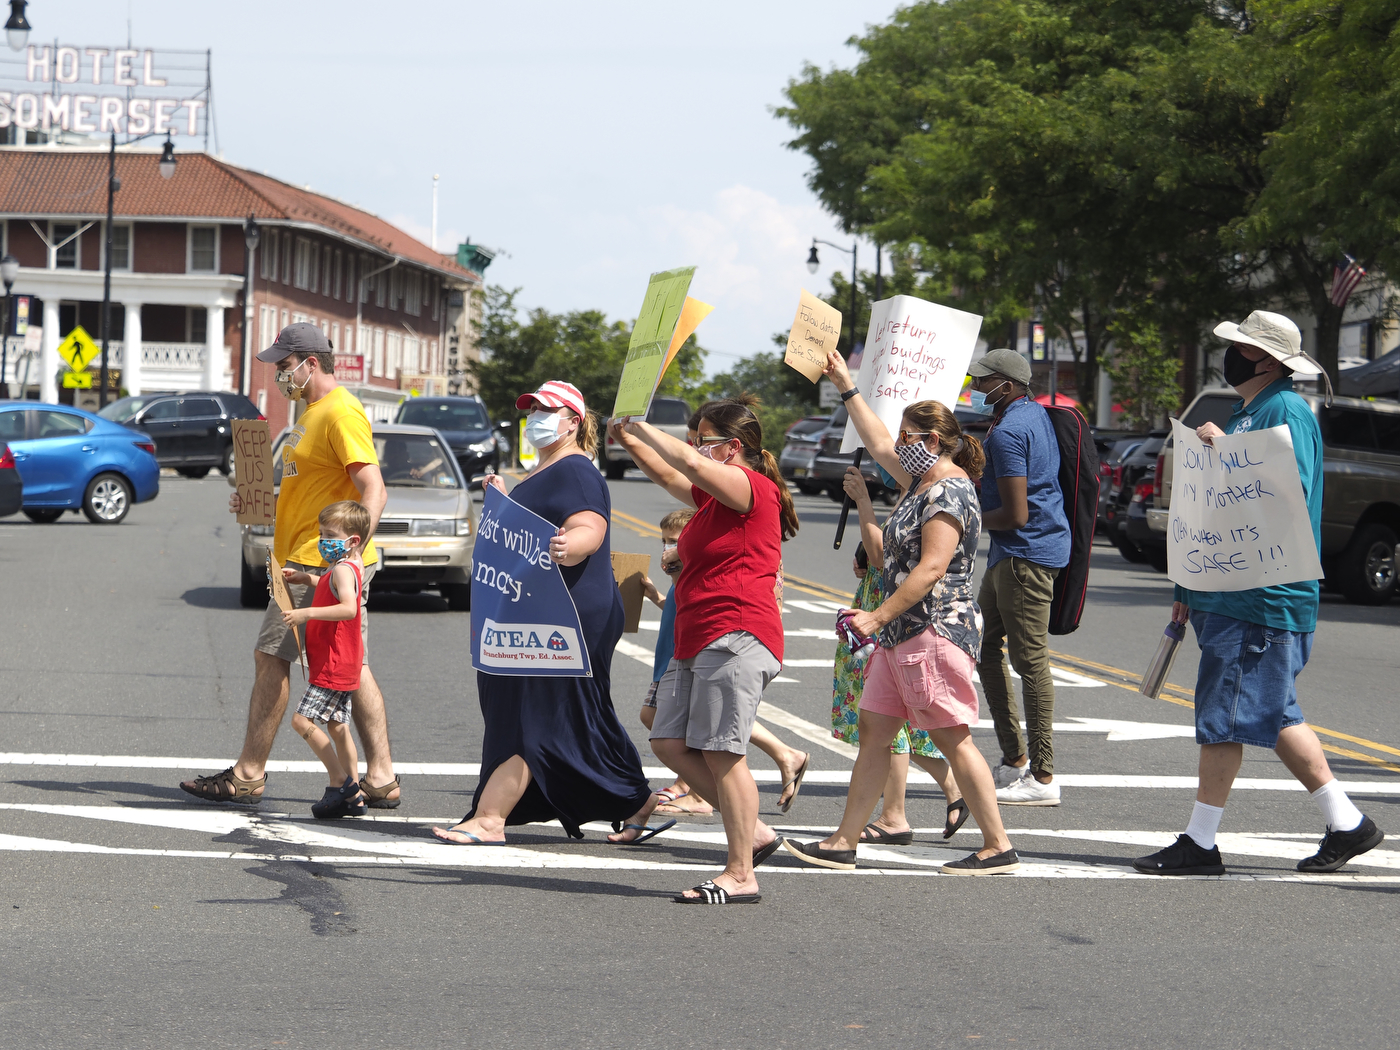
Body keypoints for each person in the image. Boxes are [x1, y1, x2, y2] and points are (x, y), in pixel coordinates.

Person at [1135, 311, 1384, 876]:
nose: (1229, 355)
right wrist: (1188, 584)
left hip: (1261, 598)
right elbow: (1216, 507)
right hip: (1233, 591)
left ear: (1266, 360)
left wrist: (1223, 454)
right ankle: (1348, 823)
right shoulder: (1253, 411)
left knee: (1225, 714)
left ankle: (1201, 843)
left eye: (1240, 347)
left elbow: (1282, 493)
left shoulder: (1285, 410)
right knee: (1273, 712)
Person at [784, 352, 1020, 875]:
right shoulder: (919, 483)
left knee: (952, 738)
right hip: (901, 637)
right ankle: (844, 841)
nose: (902, 444)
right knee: (875, 732)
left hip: (933, 632)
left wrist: (874, 616)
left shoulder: (949, 491)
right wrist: (846, 385)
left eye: (911, 436)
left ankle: (998, 846)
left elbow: (932, 568)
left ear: (934, 441)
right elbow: (876, 442)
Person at [431, 381, 671, 846]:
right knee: (578, 714)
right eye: (532, 410)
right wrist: (502, 499)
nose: (535, 417)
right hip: (536, 612)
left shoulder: (577, 471)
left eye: (547, 410)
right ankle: (634, 799)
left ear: (574, 422)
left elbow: (591, 526)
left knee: (530, 714)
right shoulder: (543, 470)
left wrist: (571, 546)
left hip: (565, 616)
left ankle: (490, 817)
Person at [180, 323, 400, 809]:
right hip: (301, 561)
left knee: (271, 657)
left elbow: (374, 489)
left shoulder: (341, 412)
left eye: (284, 367)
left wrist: (350, 557)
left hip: (316, 564)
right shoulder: (310, 415)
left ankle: (248, 773)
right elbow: (312, 495)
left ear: (310, 363)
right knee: (352, 666)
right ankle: (381, 777)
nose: (281, 376)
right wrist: (258, 501)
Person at [610, 395, 798, 904]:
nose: (694, 448)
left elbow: (686, 463)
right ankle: (753, 833)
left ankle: (741, 873)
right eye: (693, 438)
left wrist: (644, 427)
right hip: (697, 636)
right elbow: (672, 477)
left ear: (733, 447)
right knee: (669, 742)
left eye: (704, 440)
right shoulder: (716, 498)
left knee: (721, 752)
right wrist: (628, 439)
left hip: (736, 633)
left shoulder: (752, 488)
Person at [833, 466, 967, 843]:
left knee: (888, 720)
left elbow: (881, 558)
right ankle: (953, 790)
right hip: (884, 611)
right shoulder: (913, 502)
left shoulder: (930, 500)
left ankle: (895, 814)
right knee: (894, 720)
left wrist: (862, 501)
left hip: (889, 616)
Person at [965, 347, 1071, 807]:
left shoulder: (1009, 432)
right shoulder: (1032, 416)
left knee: (1030, 662)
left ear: (1007, 386)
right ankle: (1014, 760)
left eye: (985, 381)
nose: (977, 388)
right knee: (984, 646)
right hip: (1015, 554)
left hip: (1025, 554)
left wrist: (965, 514)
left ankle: (1043, 778)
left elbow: (1014, 513)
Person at [281, 501, 372, 819]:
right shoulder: (349, 565)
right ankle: (355, 794)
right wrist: (307, 580)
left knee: (301, 721)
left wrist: (306, 612)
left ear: (353, 540)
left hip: (334, 662)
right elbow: (332, 586)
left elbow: (348, 607)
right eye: (321, 533)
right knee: (337, 726)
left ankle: (341, 783)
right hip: (342, 660)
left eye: (330, 534)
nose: (323, 540)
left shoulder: (344, 569)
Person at [639, 508, 713, 816]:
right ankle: (688, 784)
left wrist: (677, 574)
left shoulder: (690, 572)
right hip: (667, 658)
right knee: (665, 723)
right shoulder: (678, 574)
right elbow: (675, 606)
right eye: (664, 540)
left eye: (675, 540)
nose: (668, 546)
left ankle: (699, 793)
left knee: (666, 724)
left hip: (678, 659)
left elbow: (691, 605)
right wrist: (657, 595)